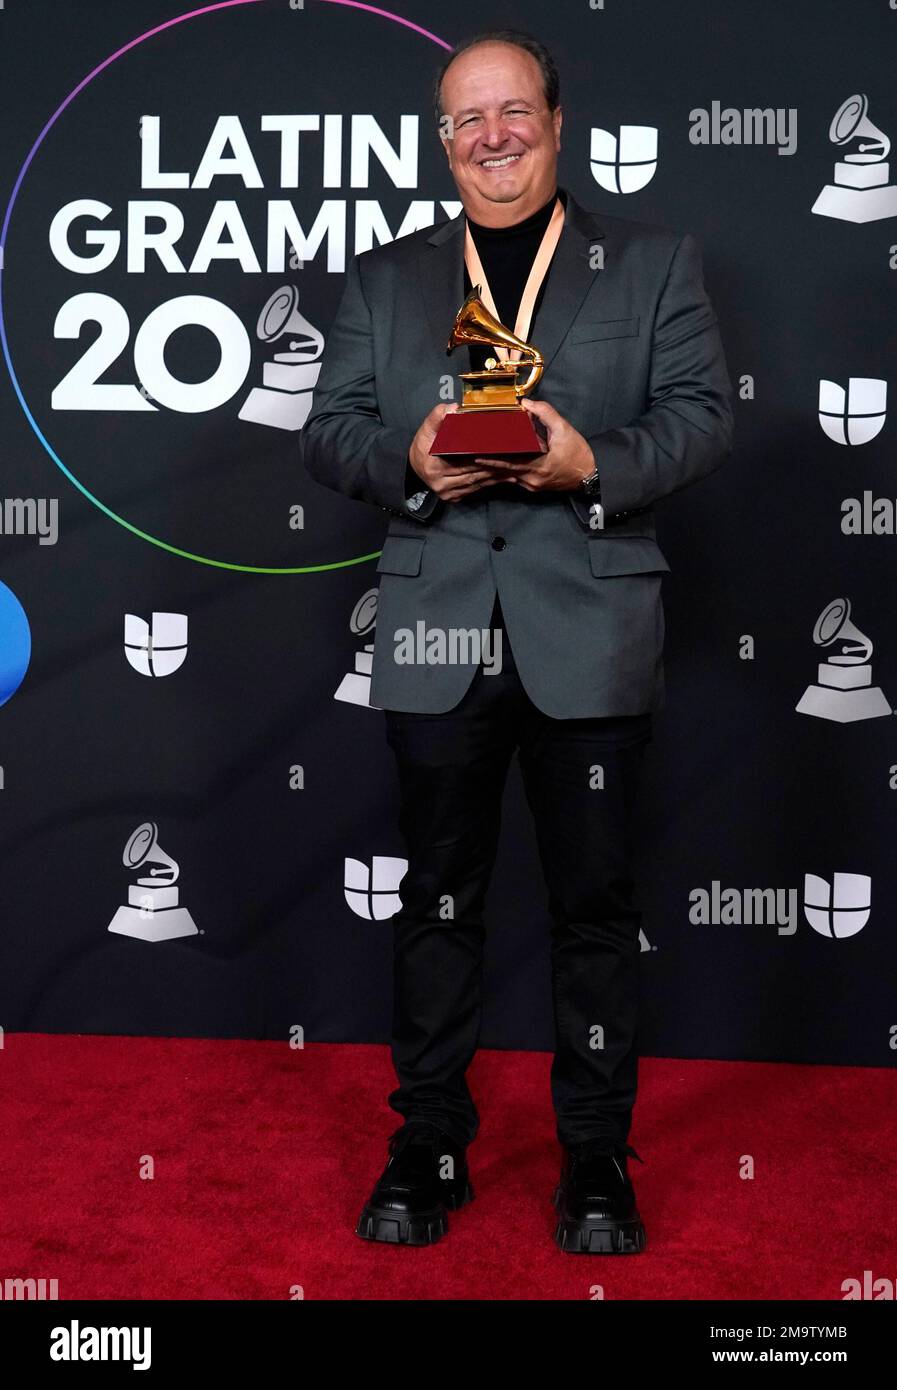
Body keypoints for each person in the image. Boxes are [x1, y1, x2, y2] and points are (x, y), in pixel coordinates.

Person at [301, 28, 733, 1254]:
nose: (491, 135)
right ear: (444, 141)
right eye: (466, 118)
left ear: (554, 119)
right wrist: (411, 462)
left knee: (594, 907)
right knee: (437, 901)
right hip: (436, 623)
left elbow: (703, 418)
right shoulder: (385, 278)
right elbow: (327, 429)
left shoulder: (650, 262)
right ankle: (430, 1143)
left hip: (588, 627)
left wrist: (591, 462)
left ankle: (594, 1157)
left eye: (511, 110)